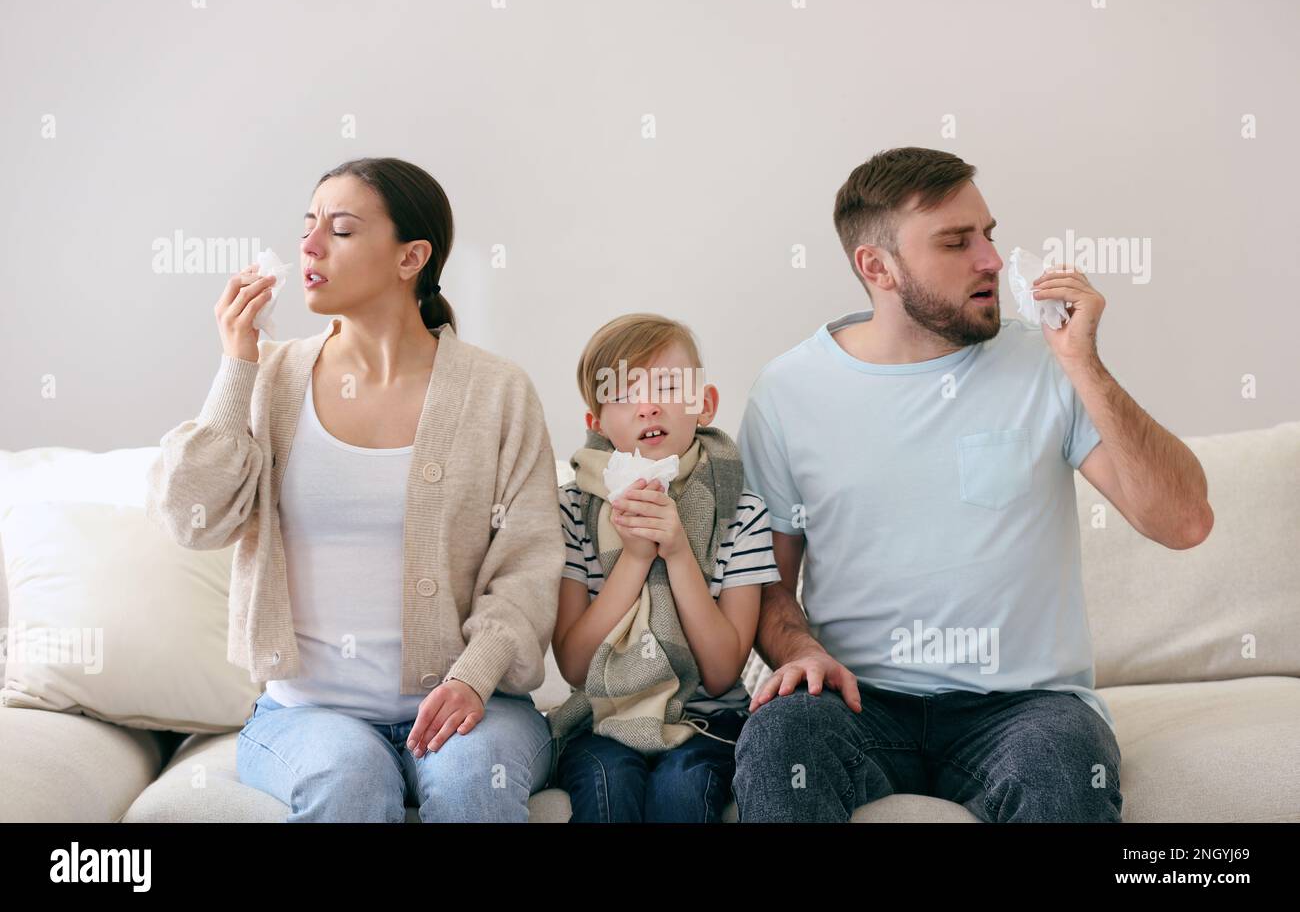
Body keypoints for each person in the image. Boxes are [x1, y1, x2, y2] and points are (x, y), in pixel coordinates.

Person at [733, 146, 1214, 822]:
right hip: (858, 699)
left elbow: (1185, 521)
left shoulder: (1045, 364)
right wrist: (803, 652)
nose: (990, 259)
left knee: (1060, 769)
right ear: (878, 267)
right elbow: (770, 589)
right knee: (782, 737)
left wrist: (1085, 365)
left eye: (988, 235)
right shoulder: (788, 393)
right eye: (957, 242)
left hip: (1026, 707)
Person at [145, 157, 563, 822]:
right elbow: (193, 519)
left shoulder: (497, 392)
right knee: (350, 782)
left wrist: (473, 676)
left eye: (339, 231)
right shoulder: (271, 378)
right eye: (307, 227)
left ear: (411, 258)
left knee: (471, 785)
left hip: (475, 702)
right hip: (306, 714)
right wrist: (236, 364)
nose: (308, 247)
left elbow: (530, 564)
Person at [548, 313, 781, 822]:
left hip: (706, 722)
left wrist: (677, 552)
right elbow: (572, 664)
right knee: (609, 787)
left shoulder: (740, 511)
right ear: (597, 424)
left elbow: (721, 674)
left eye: (670, 386)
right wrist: (634, 558)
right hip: (604, 719)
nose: (649, 405)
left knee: (683, 790)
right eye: (626, 393)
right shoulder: (572, 509)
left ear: (705, 404)